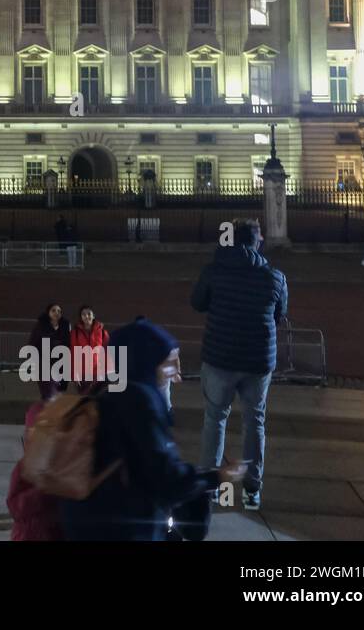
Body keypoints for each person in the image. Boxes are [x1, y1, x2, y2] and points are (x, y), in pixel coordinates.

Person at [60, 319, 244, 541]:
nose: (176, 373)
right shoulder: (141, 402)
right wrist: (217, 477)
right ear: (145, 361)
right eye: (168, 363)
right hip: (123, 530)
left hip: (87, 524)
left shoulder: (105, 391)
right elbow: (167, 479)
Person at [191, 217, 288, 512]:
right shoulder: (274, 276)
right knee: (254, 422)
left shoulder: (214, 270)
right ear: (257, 242)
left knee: (215, 419)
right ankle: (251, 489)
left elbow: (197, 303)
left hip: (219, 358)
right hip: (258, 361)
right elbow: (279, 315)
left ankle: (208, 485)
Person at [6, 401, 64, 541]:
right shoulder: (25, 467)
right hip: (28, 534)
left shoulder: (63, 468)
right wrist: (42, 492)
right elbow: (15, 505)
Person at [27, 302, 72, 400]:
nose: (57, 313)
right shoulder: (40, 326)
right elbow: (33, 343)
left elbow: (69, 343)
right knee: (48, 392)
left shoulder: (65, 326)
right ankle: (47, 411)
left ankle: (54, 412)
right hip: (45, 363)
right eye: (53, 310)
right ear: (48, 312)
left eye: (59, 311)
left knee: (59, 392)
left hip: (61, 363)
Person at [69, 305, 109, 392]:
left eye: (89, 314)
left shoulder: (102, 332)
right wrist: (74, 375)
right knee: (84, 401)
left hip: (97, 374)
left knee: (97, 400)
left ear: (93, 316)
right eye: (83, 314)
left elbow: (107, 355)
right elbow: (73, 354)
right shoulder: (75, 333)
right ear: (81, 317)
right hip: (82, 374)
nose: (86, 316)